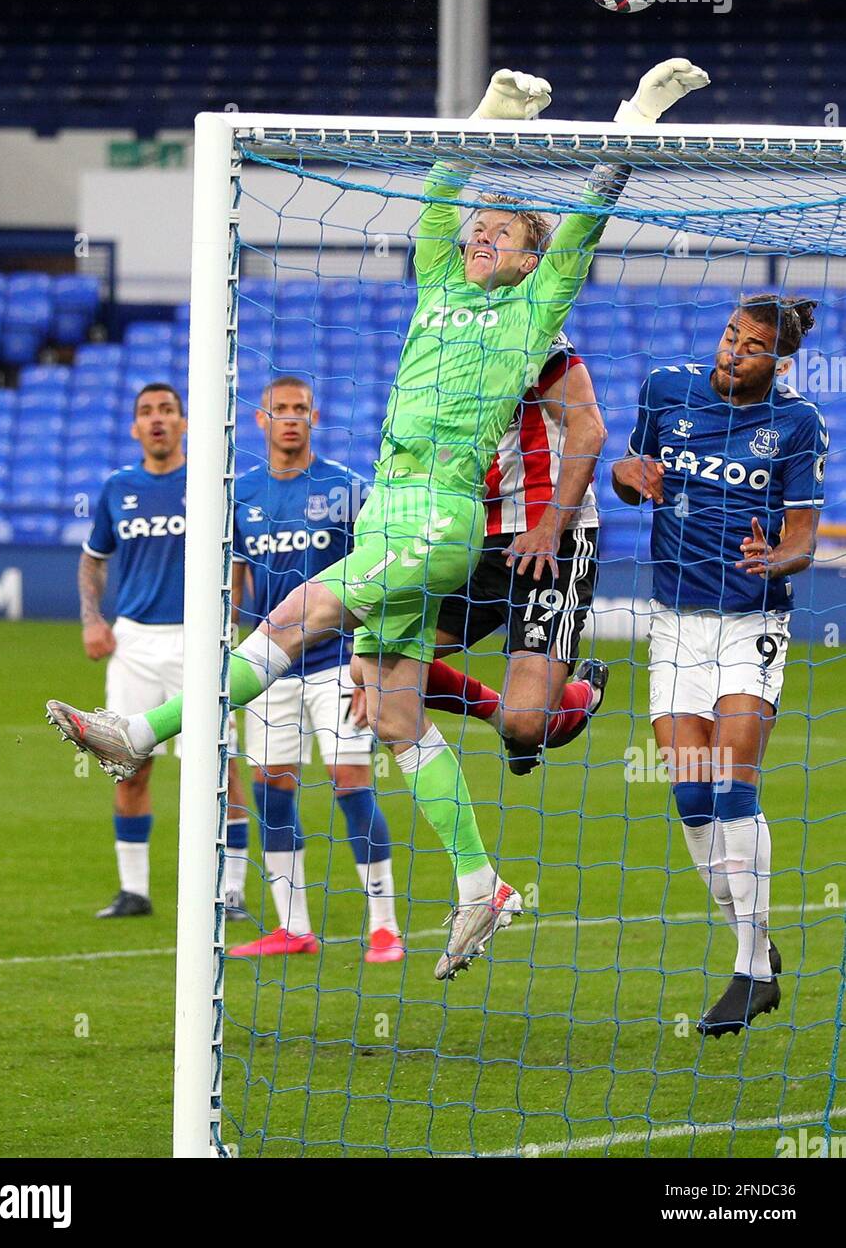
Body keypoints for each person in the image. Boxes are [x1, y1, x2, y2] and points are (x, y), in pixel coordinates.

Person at [47, 59, 709, 981]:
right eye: (481, 226)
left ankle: (142, 732)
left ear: (530, 257)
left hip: (441, 514)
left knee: (292, 620)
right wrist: (488, 116)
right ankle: (482, 886)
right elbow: (437, 200)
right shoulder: (435, 283)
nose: (482, 235)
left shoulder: (533, 312)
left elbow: (589, 218)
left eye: (505, 232)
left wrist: (636, 113)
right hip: (385, 507)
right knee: (394, 711)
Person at [611, 296, 827, 1037]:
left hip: (752, 622)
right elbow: (630, 470)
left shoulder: (797, 423)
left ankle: (747, 970)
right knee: (693, 798)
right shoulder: (666, 387)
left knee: (735, 783)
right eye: (731, 337)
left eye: (752, 346)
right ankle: (759, 946)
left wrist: (779, 558)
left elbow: (805, 537)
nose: (732, 352)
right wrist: (625, 476)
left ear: (780, 361)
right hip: (674, 622)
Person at [350, 328, 609, 771]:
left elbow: (591, 429)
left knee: (528, 722)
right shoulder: (444, 346)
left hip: (546, 542)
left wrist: (550, 525)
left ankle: (581, 694)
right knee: (371, 664)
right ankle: (499, 713)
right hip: (467, 538)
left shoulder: (535, 335)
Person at [228, 374, 403, 963]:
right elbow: (237, 573)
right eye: (280, 409)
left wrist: (370, 661)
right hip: (269, 668)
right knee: (272, 788)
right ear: (261, 419)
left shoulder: (349, 490)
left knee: (351, 783)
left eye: (301, 408)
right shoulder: (241, 493)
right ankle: (293, 927)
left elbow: (379, 574)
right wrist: (233, 632)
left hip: (336, 666)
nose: (291, 418)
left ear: (315, 416)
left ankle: (384, 925)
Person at [76, 381, 246, 918]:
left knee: (222, 766)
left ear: (184, 423)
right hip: (135, 643)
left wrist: (230, 624)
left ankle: (233, 891)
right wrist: (91, 620)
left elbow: (240, 559)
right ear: (134, 427)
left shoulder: (211, 482)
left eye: (167, 410)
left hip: (200, 642)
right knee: (129, 762)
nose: (157, 419)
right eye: (147, 412)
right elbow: (93, 558)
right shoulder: (116, 488)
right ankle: (134, 891)